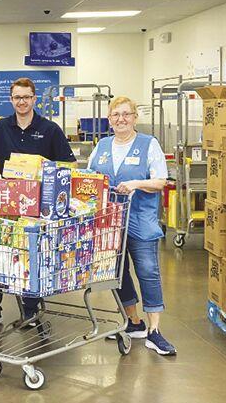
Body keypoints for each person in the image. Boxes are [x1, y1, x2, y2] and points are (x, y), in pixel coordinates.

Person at [0, 78, 76, 329]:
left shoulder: (50, 129)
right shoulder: (1, 128)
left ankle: (31, 309)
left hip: (37, 207)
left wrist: (47, 174)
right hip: (5, 206)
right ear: (11, 100)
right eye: (17, 97)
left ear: (34, 99)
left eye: (26, 97)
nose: (22, 102)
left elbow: (68, 165)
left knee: (31, 255)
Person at [88, 96, 176, 356]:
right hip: (110, 223)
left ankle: (155, 331)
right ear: (109, 119)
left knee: (148, 272)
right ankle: (133, 322)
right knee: (117, 272)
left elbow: (161, 181)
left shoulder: (149, 144)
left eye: (126, 114)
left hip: (141, 220)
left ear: (135, 117)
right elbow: (89, 176)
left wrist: (136, 184)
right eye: (116, 115)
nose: (121, 119)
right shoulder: (102, 146)